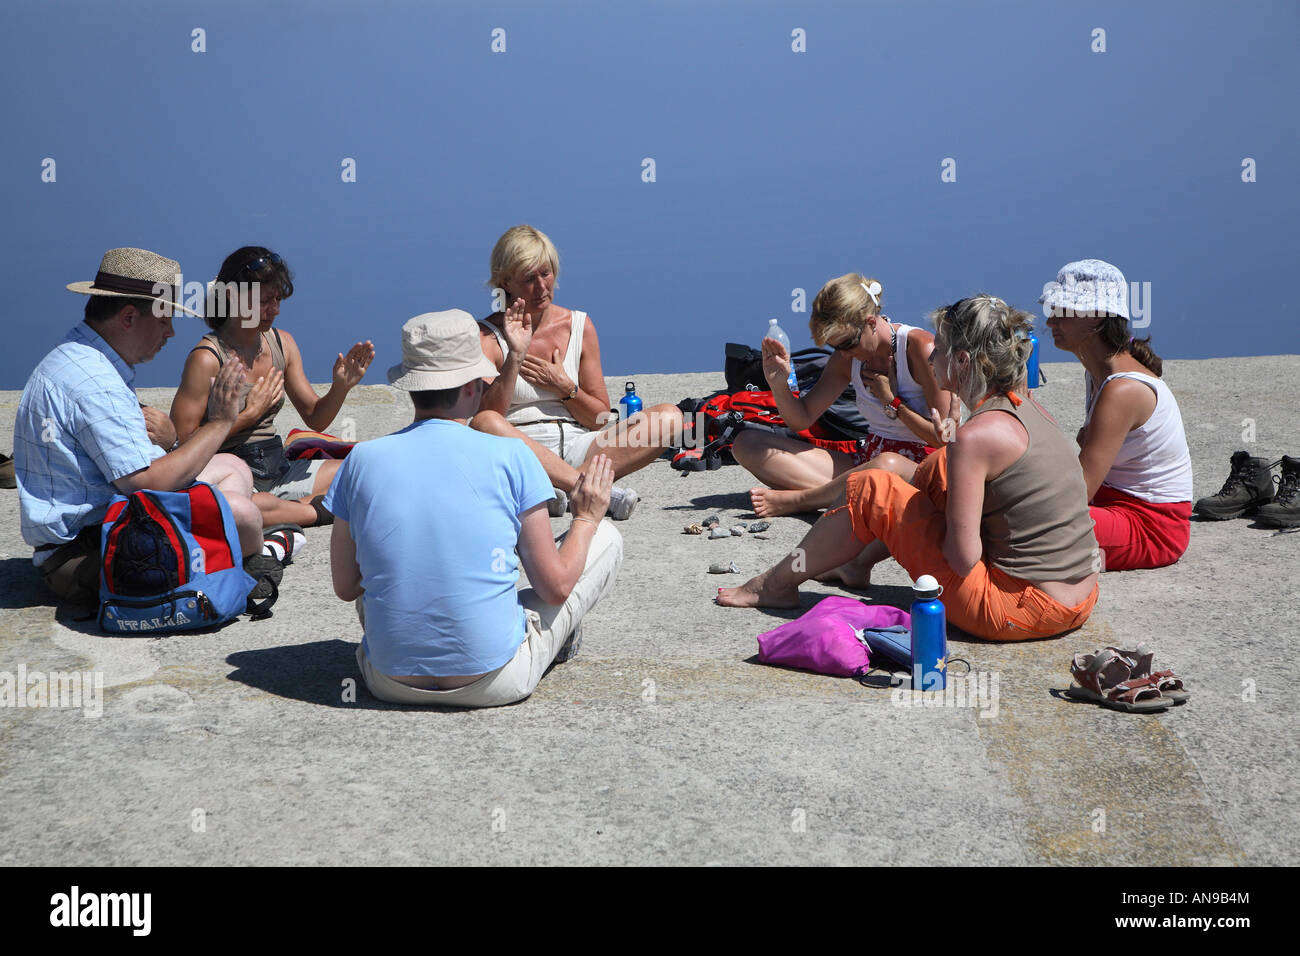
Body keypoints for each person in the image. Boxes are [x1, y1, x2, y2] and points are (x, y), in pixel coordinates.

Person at [719, 295, 1100, 643]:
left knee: (873, 489)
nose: (933, 358)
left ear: (963, 361)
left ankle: (774, 585)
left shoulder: (977, 437)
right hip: (1079, 597)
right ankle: (853, 562)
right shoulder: (1027, 408)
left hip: (1020, 609)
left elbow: (963, 557)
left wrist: (909, 526)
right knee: (935, 466)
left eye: (942, 349)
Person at [326, 310, 624, 708]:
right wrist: (587, 517)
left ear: (412, 386)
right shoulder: (510, 454)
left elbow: (348, 587)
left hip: (388, 679)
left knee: (384, 575)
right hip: (494, 680)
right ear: (474, 386)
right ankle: (546, 641)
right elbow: (553, 588)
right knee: (605, 538)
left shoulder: (361, 460)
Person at [13, 247, 274, 605]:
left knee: (233, 466)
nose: (170, 332)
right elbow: (144, 483)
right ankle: (239, 558)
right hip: (94, 553)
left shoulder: (80, 354)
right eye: (165, 318)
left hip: (108, 521)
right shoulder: (94, 380)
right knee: (243, 514)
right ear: (129, 317)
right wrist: (221, 422)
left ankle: (226, 552)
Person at [472, 224, 684, 520]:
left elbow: (597, 419)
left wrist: (565, 388)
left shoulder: (580, 326)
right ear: (506, 282)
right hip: (521, 451)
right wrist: (516, 356)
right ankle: (581, 488)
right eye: (529, 279)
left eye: (546, 274)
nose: (542, 287)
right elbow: (486, 418)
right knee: (484, 423)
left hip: (578, 443)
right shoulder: (486, 335)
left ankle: (553, 490)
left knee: (670, 418)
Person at [169, 246, 374, 531]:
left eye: (278, 299)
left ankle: (299, 506)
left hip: (279, 468)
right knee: (244, 508)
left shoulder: (282, 343)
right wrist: (248, 416)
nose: (274, 310)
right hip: (234, 474)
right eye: (265, 301)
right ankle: (316, 508)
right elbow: (182, 443)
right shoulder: (207, 358)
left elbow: (315, 417)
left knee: (368, 472)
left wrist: (341, 387)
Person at [736, 273, 954, 518]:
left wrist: (891, 402)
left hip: (920, 470)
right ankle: (848, 495)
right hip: (868, 458)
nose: (844, 353)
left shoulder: (920, 349)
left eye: (848, 343)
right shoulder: (846, 358)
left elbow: (945, 438)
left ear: (871, 322)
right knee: (747, 444)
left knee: (885, 466)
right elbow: (802, 419)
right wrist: (778, 384)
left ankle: (802, 501)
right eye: (835, 347)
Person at [1042, 259, 1192, 571]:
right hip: (1114, 506)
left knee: (1020, 525)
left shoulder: (1122, 390)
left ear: (1097, 317)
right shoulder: (1099, 374)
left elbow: (1078, 492)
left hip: (1151, 527)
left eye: (1064, 311)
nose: (1052, 319)